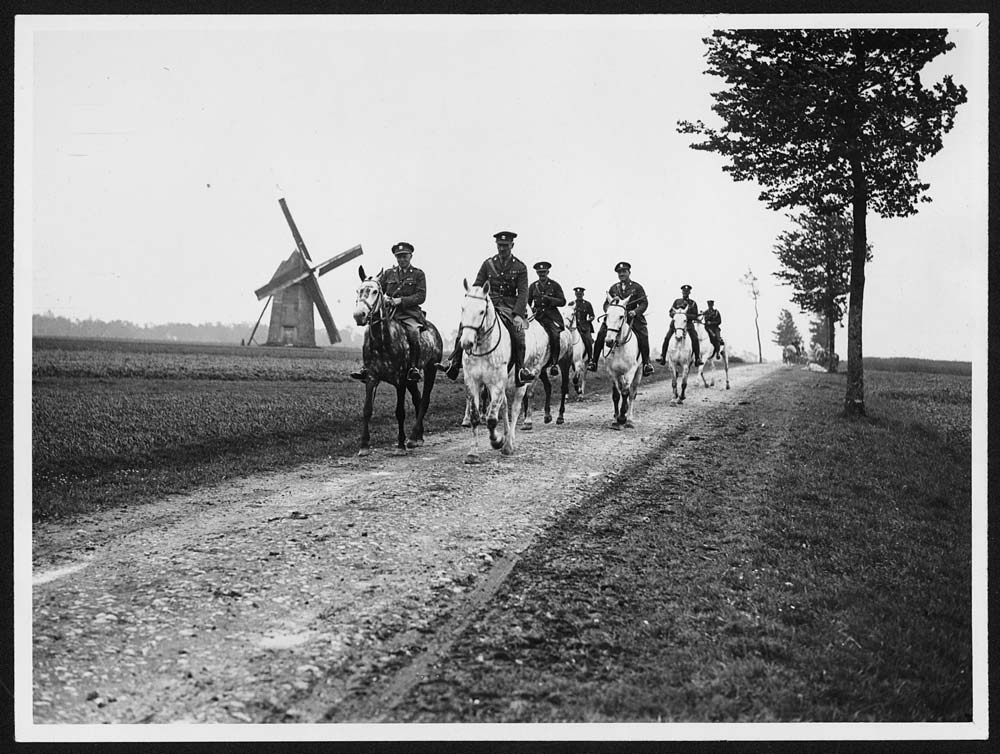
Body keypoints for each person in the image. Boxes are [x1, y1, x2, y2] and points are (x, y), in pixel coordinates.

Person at [436, 230, 533, 386]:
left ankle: (520, 371)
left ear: (512, 245)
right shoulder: (488, 264)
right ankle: (454, 363)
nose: (502, 249)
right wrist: (473, 302)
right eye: (500, 245)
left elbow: (523, 293)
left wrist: (518, 314)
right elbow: (477, 285)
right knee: (465, 326)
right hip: (488, 304)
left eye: (506, 246)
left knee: (519, 335)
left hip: (508, 306)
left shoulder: (520, 267)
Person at [350, 241, 427, 383]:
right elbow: (379, 291)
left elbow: (421, 296)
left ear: (410, 256)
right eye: (399, 257)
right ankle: (367, 367)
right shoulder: (389, 274)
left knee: (414, 332)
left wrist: (401, 301)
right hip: (390, 314)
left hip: (410, 314)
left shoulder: (418, 274)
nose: (402, 259)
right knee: (369, 332)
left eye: (404, 256)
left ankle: (413, 368)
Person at [587, 261, 654, 376]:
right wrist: (611, 306)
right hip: (616, 318)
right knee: (601, 333)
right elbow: (605, 305)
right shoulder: (614, 288)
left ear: (629, 272)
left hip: (632, 317)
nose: (622, 274)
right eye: (619, 272)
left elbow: (644, 303)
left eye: (624, 271)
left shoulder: (636, 287)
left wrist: (635, 312)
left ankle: (646, 363)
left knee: (643, 334)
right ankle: (594, 361)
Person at [527, 261, 567, 376]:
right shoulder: (533, 286)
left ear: (548, 272)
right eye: (539, 273)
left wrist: (551, 300)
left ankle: (554, 363)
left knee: (554, 335)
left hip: (551, 316)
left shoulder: (555, 285)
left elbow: (563, 301)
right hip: (537, 316)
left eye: (544, 272)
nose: (542, 274)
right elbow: (528, 303)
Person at [656, 284, 702, 367]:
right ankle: (662, 356)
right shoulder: (677, 301)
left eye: (687, 292)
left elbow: (695, 315)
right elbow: (670, 312)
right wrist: (675, 315)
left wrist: (685, 316)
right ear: (682, 292)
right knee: (667, 338)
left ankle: (698, 358)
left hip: (688, 324)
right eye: (684, 291)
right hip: (676, 324)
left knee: (695, 338)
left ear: (689, 292)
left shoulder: (693, 303)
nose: (685, 293)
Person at [572, 286, 595, 363]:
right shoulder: (572, 304)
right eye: (577, 294)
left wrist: (588, 321)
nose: (579, 295)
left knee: (588, 339)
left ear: (583, 294)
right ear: (575, 294)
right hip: (574, 325)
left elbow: (592, 315)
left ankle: (590, 358)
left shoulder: (587, 304)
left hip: (584, 326)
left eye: (580, 294)